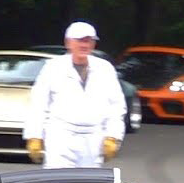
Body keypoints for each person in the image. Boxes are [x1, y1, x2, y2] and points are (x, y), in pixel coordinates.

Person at [23, 21, 126, 169]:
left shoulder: (104, 68)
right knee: (59, 179)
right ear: (68, 43)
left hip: (93, 137)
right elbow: (38, 103)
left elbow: (116, 106)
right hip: (61, 136)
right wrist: (34, 135)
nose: (84, 45)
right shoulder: (53, 67)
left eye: (88, 41)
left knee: (88, 181)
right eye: (80, 40)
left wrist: (113, 136)